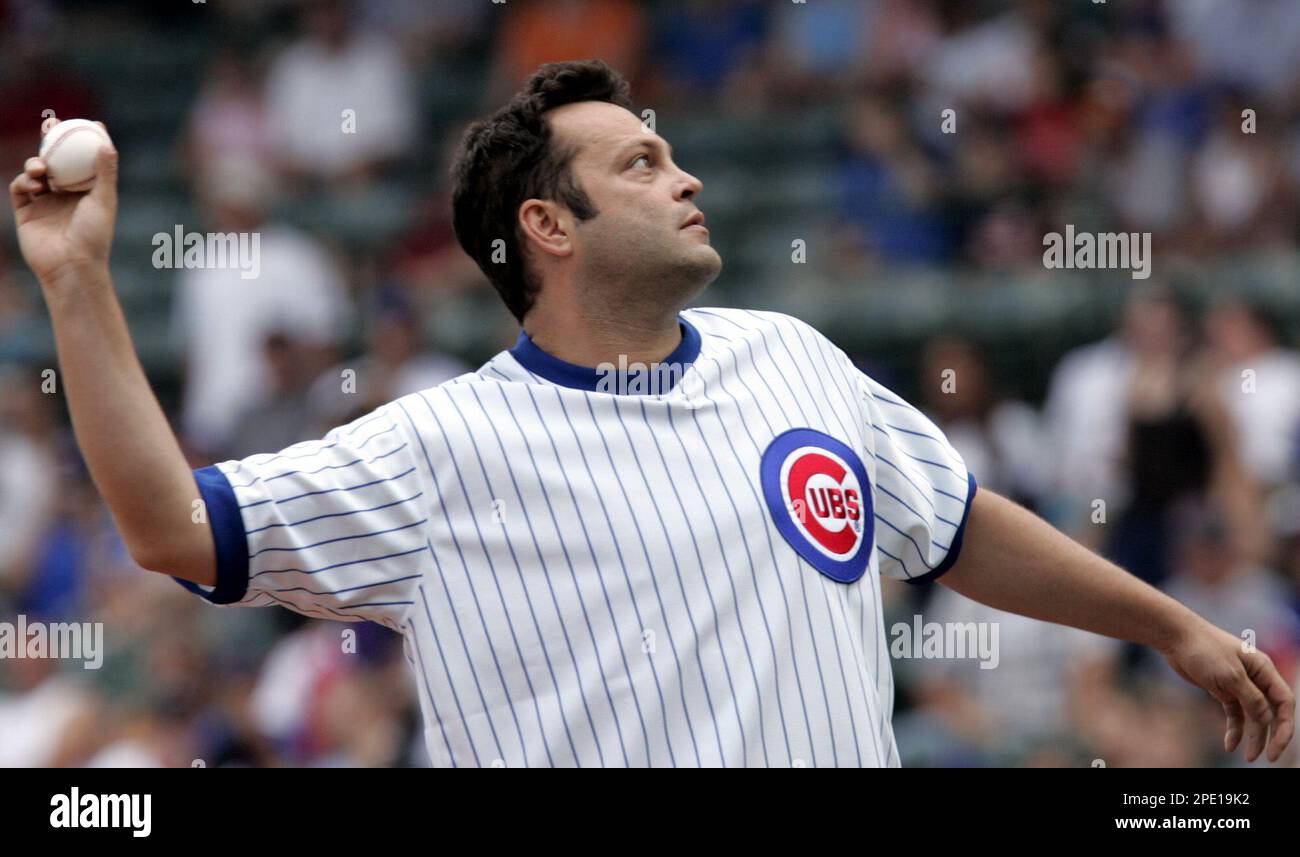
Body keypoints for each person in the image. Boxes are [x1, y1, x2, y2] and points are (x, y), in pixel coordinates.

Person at [9, 60, 1293, 767]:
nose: (683, 176)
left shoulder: (792, 358)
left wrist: (1170, 623)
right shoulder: (439, 445)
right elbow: (173, 526)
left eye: (671, 152)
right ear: (547, 226)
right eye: (638, 162)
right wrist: (76, 281)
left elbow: (956, 525)